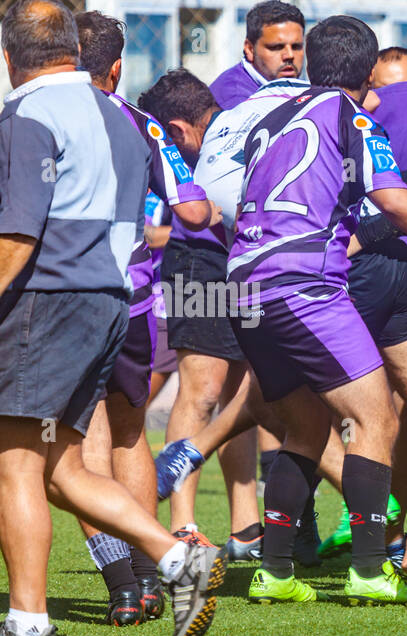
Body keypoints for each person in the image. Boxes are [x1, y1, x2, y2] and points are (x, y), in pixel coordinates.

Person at [228, 14, 407, 605]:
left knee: (307, 424)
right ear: (368, 71)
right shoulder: (355, 117)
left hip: (241, 284)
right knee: (375, 419)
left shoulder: (269, 117)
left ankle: (274, 572)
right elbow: (393, 201)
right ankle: (371, 569)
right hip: (301, 280)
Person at [0, 0, 223, 636]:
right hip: (110, 305)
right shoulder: (127, 120)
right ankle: (174, 560)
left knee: (13, 466)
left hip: (48, 301)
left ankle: (29, 629)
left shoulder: (27, 115)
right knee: (61, 466)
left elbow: (16, 236)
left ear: (10, 58)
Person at [73, 11, 219, 626]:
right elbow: (194, 211)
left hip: (66, 302)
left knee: (72, 449)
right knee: (130, 433)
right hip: (134, 304)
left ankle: (124, 586)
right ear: (116, 68)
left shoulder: (35, 117)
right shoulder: (146, 126)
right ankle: (150, 576)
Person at [138, 70, 261, 549]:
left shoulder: (239, 127)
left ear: (176, 130)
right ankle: (181, 524)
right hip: (198, 263)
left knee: (245, 390)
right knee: (202, 391)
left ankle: (246, 527)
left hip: (245, 264)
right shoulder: (230, 115)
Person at [208, 0, 304, 109]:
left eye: (296, 47)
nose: (290, 55)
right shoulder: (238, 102)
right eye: (276, 47)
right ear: (249, 49)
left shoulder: (289, 86)